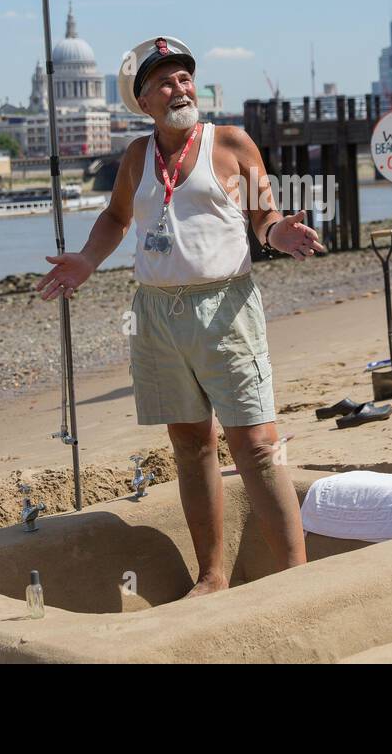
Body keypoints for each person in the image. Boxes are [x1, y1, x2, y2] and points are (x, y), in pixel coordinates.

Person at [36, 35, 326, 598]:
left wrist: (279, 232)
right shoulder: (136, 158)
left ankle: (298, 577)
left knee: (257, 445)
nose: (180, 88)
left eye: (185, 77)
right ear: (143, 102)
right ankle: (213, 576)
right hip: (156, 314)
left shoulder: (231, 143)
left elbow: (262, 215)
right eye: (165, 82)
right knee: (191, 447)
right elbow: (118, 218)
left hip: (225, 306)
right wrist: (87, 260)